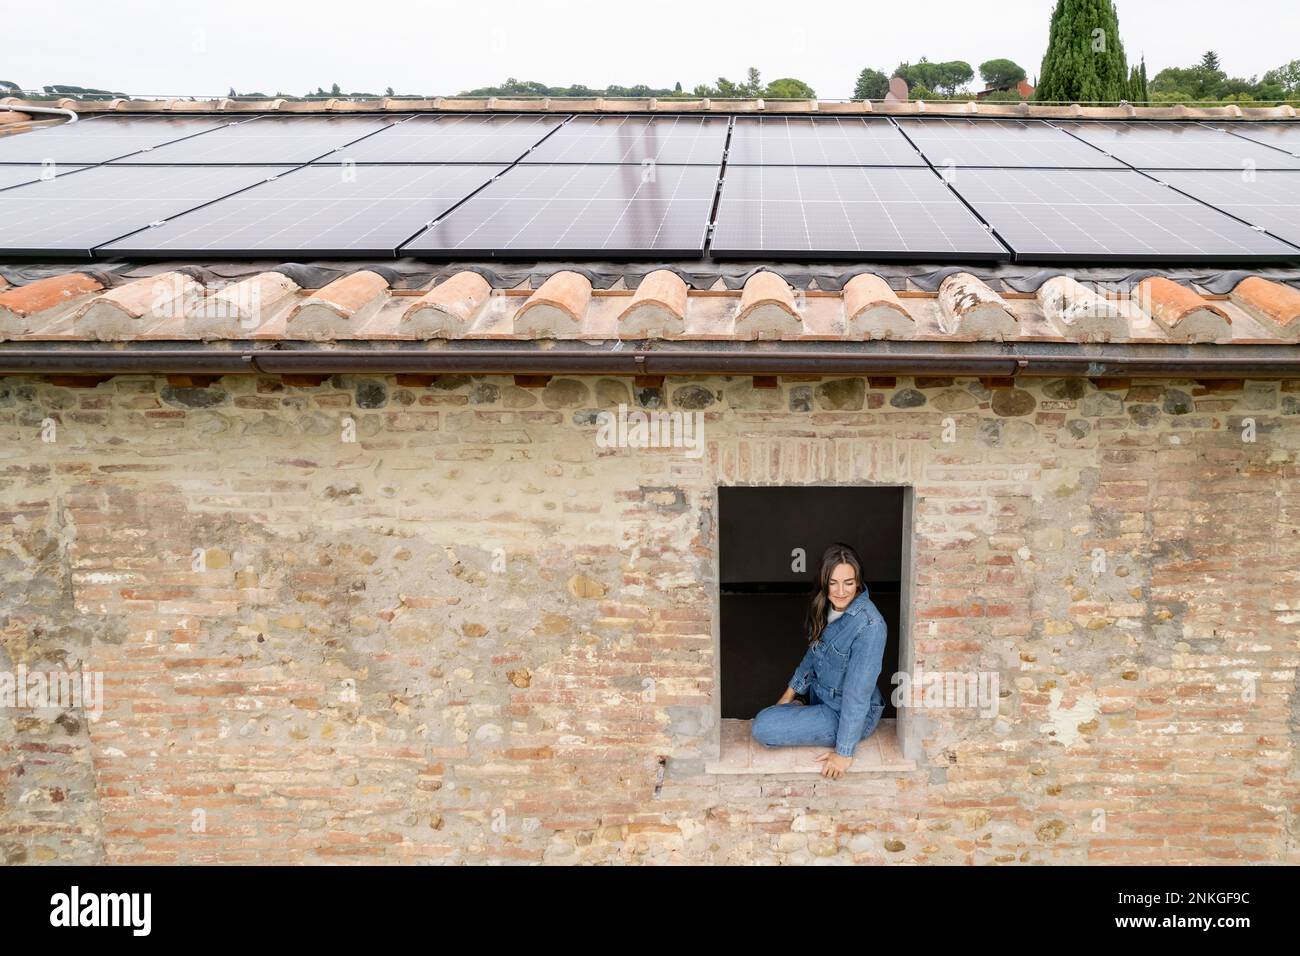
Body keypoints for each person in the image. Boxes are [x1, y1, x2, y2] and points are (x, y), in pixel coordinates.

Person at [751, 542, 888, 780]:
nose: (841, 591)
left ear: (858, 582)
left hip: (848, 712)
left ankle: (808, 717)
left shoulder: (870, 626)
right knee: (775, 713)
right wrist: (788, 695)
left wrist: (844, 753)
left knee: (763, 727)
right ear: (825, 583)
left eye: (848, 583)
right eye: (833, 583)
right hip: (821, 694)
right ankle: (801, 710)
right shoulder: (828, 605)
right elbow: (813, 655)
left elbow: (858, 694)